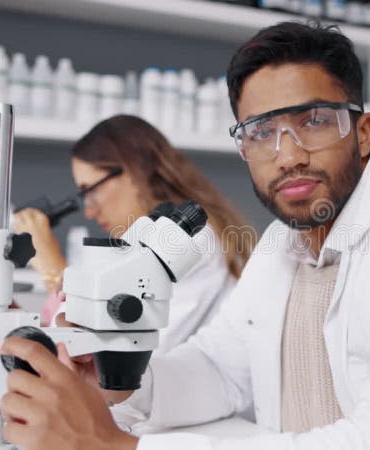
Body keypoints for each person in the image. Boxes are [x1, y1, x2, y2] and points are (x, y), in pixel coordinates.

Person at [0, 22, 370, 449]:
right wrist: (121, 374)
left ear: (362, 132)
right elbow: (220, 372)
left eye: (313, 120)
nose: (287, 154)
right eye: (262, 132)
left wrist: (119, 446)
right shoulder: (285, 245)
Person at [14, 115, 255, 352]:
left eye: (91, 190)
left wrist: (53, 270)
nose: (88, 210)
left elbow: (128, 354)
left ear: (132, 170)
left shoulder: (190, 242)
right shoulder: (144, 242)